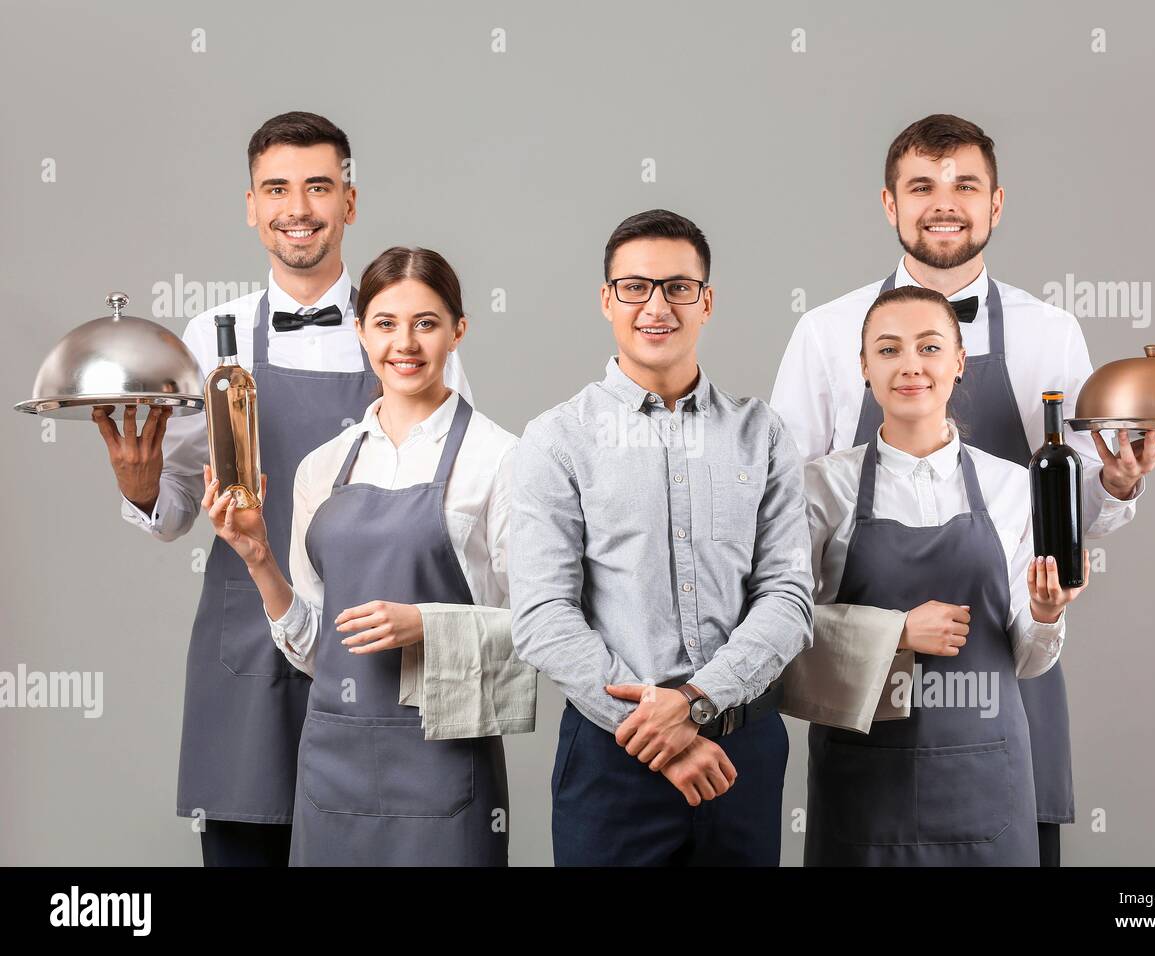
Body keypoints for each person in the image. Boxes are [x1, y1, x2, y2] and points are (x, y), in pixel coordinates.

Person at [771, 114, 1155, 865]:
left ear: (996, 203)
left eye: (966, 185)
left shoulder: (1051, 330)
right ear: (888, 203)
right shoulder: (823, 330)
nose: (944, 202)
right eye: (922, 185)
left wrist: (1118, 486)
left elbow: (1067, 521)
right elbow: (781, 532)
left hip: (1011, 657)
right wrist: (886, 633)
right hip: (870, 690)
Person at [91, 112, 471, 866]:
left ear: (349, 203)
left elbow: (454, 487)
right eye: (277, 189)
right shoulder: (211, 335)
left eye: (318, 186)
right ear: (252, 206)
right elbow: (179, 507)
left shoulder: (405, 327)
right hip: (249, 653)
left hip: (371, 642)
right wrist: (142, 492)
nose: (297, 208)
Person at [509, 209, 813, 866]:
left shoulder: (761, 435)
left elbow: (789, 595)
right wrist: (659, 730)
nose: (657, 306)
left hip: (744, 753)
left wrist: (696, 702)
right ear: (606, 299)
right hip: (612, 760)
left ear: (707, 302)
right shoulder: (557, 439)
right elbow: (541, 615)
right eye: (635, 287)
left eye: (678, 287)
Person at [203, 246, 514, 866]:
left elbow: (538, 627)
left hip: (445, 763)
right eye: (385, 323)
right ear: (360, 331)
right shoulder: (323, 466)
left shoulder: (501, 457)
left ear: (458, 330)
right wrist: (259, 557)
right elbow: (316, 647)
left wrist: (424, 625)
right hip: (334, 764)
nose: (405, 343)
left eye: (426, 322)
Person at [803, 285, 1088, 865]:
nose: (910, 366)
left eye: (929, 347)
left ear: (958, 362)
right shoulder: (821, 487)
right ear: (864, 368)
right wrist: (896, 633)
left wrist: (1046, 614)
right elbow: (782, 637)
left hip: (986, 780)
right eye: (888, 350)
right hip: (865, 789)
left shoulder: (1011, 486)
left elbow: (1028, 661)